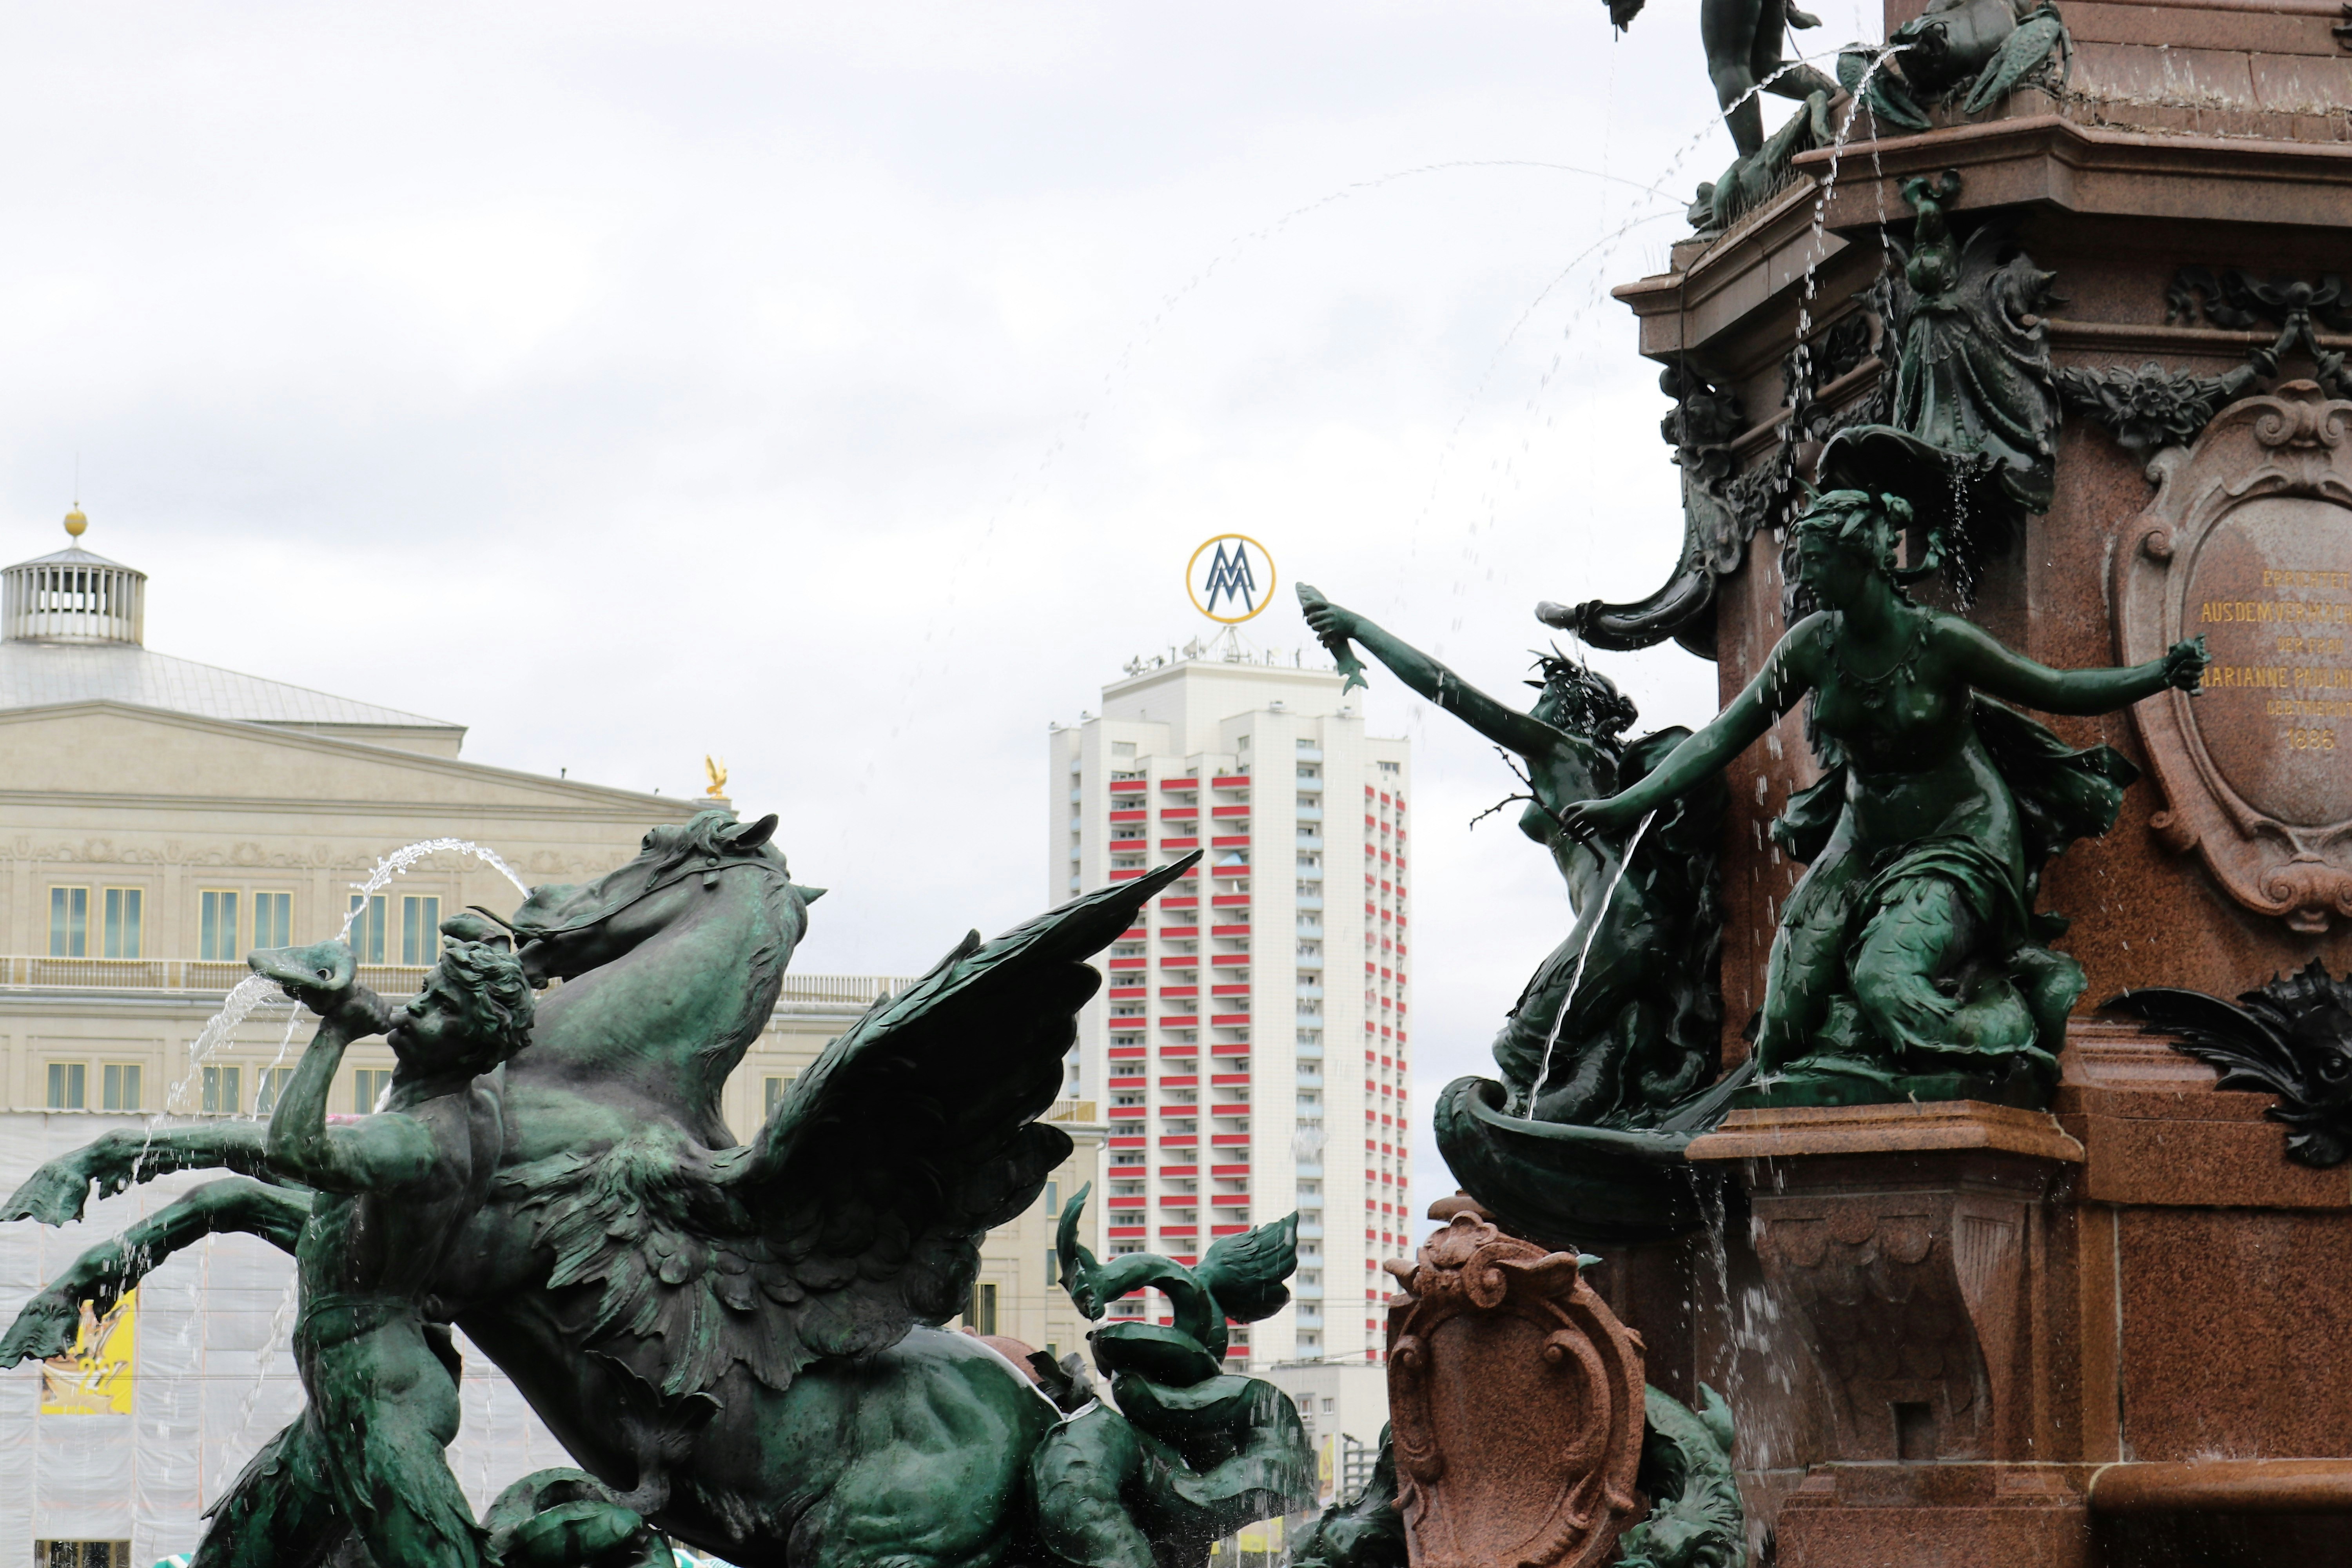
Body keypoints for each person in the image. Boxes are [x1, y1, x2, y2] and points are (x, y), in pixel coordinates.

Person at [1557, 482, 2207, 1102]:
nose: (1804, 580)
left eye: (1815, 563)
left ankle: (2012, 1024)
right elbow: (1718, 740)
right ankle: (1852, 1079)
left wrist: (2158, 673)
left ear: (1862, 556)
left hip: (1962, 837)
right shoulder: (1813, 645)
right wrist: (1624, 805)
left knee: (1884, 980)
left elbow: (2058, 689)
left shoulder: (1941, 641)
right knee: (1783, 1021)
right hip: (1863, 840)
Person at [1299, 588, 1724, 1125]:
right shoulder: (1604, 763)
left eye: (1542, 699)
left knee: (1521, 1059)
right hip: (1636, 925)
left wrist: (1359, 625)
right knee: (1576, 1047)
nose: (1532, 711)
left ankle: (1543, 1168)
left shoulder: (1561, 750)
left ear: (1566, 707)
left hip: (1618, 925)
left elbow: (1447, 690)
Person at [192, 933, 537, 1568]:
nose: (411, 1013)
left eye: (439, 1011)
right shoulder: (466, 1099)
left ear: (468, 1047)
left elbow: (294, 1151)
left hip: (380, 1401)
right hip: (339, 1406)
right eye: (427, 994)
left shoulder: (420, 1139)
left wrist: (337, 1031)